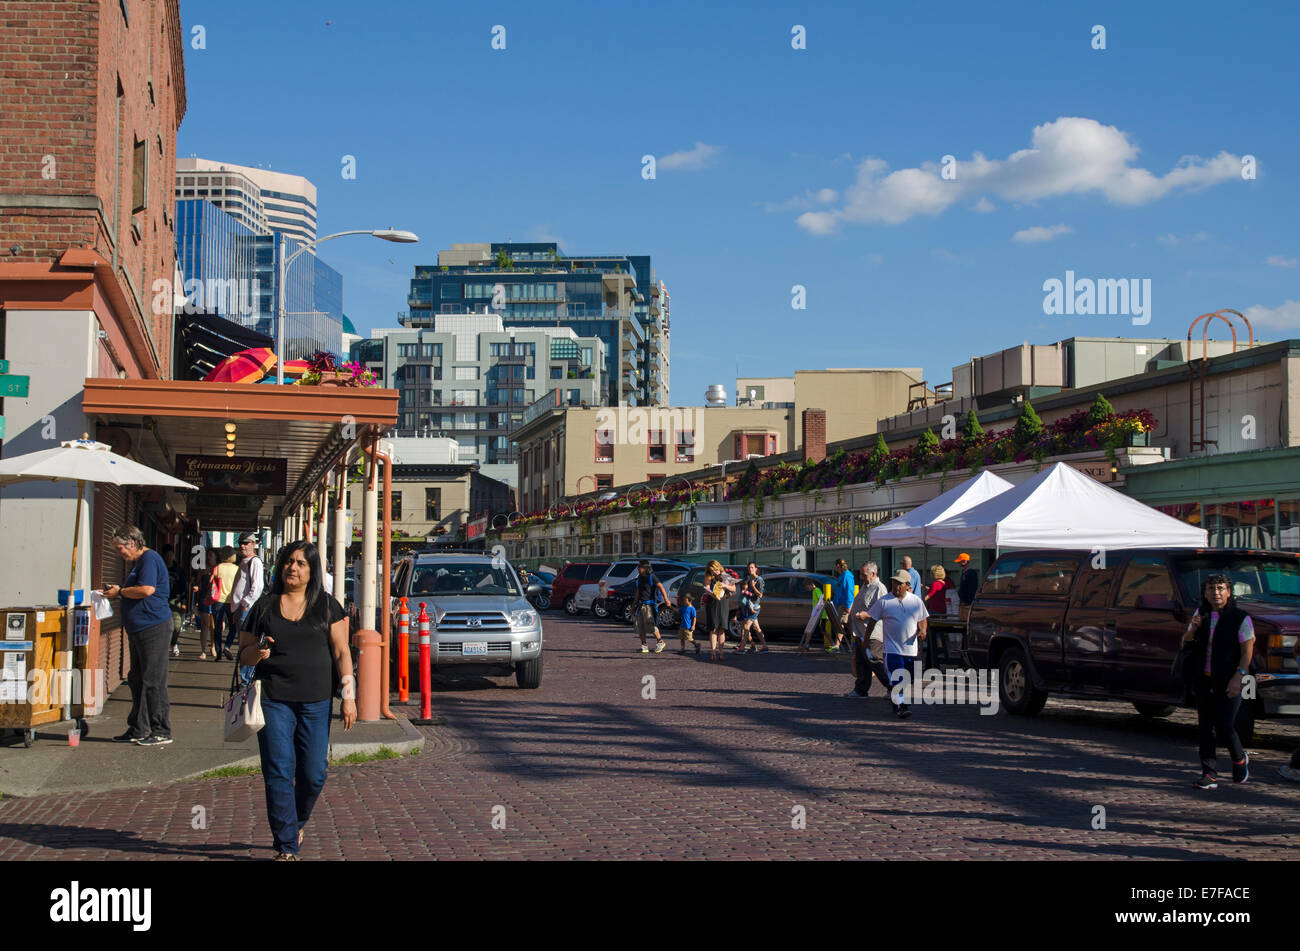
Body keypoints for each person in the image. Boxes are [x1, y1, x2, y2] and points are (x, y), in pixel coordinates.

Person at [239, 540, 356, 860]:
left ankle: (295, 822)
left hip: (317, 703)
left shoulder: (327, 606)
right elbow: (244, 656)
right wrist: (258, 652)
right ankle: (286, 846)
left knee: (314, 772)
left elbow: (342, 651)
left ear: (312, 570)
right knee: (278, 769)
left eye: (301, 563)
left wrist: (348, 696)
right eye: (289, 561)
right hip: (274, 700)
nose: (293, 567)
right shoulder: (263, 607)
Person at [101, 525, 173, 746]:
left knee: (153, 679)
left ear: (132, 543)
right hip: (140, 627)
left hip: (154, 627)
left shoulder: (149, 559)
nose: (119, 553)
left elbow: (147, 589)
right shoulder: (140, 563)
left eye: (120, 548)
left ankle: (161, 730)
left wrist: (120, 592)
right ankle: (139, 728)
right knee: (137, 679)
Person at [1183, 574, 1254, 789]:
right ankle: (1209, 774)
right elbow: (1185, 641)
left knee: (1225, 725)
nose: (1216, 593)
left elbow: (1247, 651)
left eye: (1221, 588)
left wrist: (1238, 677)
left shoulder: (1240, 617)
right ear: (1205, 593)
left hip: (1230, 679)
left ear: (1229, 592)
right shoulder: (1201, 614)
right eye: (1211, 589)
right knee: (1206, 728)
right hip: (1204, 679)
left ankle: (1239, 758)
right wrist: (1193, 627)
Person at [865, 569, 929, 719]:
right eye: (894, 583)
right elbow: (872, 621)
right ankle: (902, 706)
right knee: (898, 677)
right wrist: (866, 640)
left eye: (899, 584)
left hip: (911, 649)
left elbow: (922, 618)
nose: (896, 586)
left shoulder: (915, 601)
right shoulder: (884, 601)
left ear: (908, 585)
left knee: (908, 679)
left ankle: (896, 701)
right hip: (892, 649)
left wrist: (923, 630)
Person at [844, 562, 890, 699]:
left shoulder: (879, 588)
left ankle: (892, 687)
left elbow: (882, 609)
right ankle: (861, 690)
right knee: (861, 663)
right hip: (860, 632)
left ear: (873, 574)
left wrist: (866, 615)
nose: (861, 577)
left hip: (872, 633)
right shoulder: (865, 586)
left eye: (864, 575)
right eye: (861, 574)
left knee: (875, 661)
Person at [230, 532, 265, 683]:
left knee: (247, 647)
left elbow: (257, 587)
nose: (242, 546)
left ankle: (246, 680)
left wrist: (245, 604)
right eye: (240, 543)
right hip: (240, 609)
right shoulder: (245, 562)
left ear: (253, 544)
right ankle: (245, 680)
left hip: (246, 609)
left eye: (246, 543)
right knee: (243, 647)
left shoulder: (255, 562)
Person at [702, 560, 736, 661]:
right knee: (713, 628)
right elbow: (707, 588)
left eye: (716, 570)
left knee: (722, 629)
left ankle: (721, 653)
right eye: (712, 570)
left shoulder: (725, 575)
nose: (714, 572)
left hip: (723, 603)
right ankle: (713, 652)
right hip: (712, 603)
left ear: (719, 567)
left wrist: (725, 586)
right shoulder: (709, 576)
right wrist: (713, 594)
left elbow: (734, 589)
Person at [210, 546, 240, 661]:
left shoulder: (218, 568)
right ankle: (227, 646)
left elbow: (210, 582)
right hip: (231, 602)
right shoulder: (237, 569)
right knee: (233, 627)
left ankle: (218, 653)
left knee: (217, 628)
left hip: (218, 601)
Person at [633, 560, 669, 654]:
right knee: (639, 625)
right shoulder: (640, 577)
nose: (637, 569)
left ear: (644, 568)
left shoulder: (652, 576)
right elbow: (638, 592)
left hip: (649, 605)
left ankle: (660, 642)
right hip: (641, 605)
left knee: (650, 624)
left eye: (639, 567)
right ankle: (644, 645)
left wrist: (666, 599)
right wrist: (634, 605)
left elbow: (661, 587)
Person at [737, 562, 769, 653]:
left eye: (752, 567)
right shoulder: (749, 578)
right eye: (749, 568)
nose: (750, 569)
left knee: (747, 627)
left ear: (756, 569)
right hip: (749, 606)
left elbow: (760, 595)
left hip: (755, 607)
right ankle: (765, 646)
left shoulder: (759, 580)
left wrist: (753, 586)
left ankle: (741, 649)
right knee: (756, 628)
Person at [924, 564, 952, 667]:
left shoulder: (935, 584)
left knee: (933, 634)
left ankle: (937, 649)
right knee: (940, 632)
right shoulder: (944, 583)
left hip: (935, 611)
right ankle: (940, 648)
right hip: (943, 610)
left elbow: (929, 595)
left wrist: (922, 600)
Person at [194, 549, 217, 659]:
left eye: (211, 556)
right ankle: (203, 650)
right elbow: (198, 582)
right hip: (204, 598)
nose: (208, 558)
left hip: (216, 599)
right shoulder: (202, 569)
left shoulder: (218, 568)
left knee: (214, 625)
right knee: (205, 625)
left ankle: (213, 646)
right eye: (207, 555)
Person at [829, 558, 855, 652]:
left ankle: (837, 645)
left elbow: (849, 591)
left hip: (844, 604)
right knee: (847, 624)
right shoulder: (842, 576)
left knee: (840, 624)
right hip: (841, 604)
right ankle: (854, 645)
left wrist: (848, 605)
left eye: (835, 566)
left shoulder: (847, 576)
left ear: (837, 566)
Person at [955, 553, 979, 621]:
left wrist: (969, 601)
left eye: (960, 561)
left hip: (968, 602)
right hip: (964, 601)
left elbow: (972, 588)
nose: (958, 563)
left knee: (966, 620)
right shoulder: (965, 572)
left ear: (965, 561)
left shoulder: (970, 573)